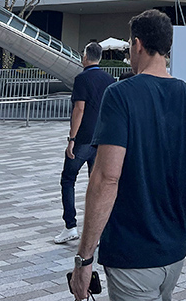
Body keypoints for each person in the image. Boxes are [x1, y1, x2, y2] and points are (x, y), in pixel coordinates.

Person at [70, 9, 186, 301]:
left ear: (138, 44)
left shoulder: (120, 95)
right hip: (174, 251)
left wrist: (84, 258)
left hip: (131, 253)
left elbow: (106, 178)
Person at [54, 41, 115, 244]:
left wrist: (72, 138)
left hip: (83, 139)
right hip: (102, 138)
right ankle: (98, 230)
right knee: (97, 183)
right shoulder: (109, 79)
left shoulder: (81, 79)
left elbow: (79, 109)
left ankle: (70, 225)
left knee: (68, 179)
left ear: (85, 57)